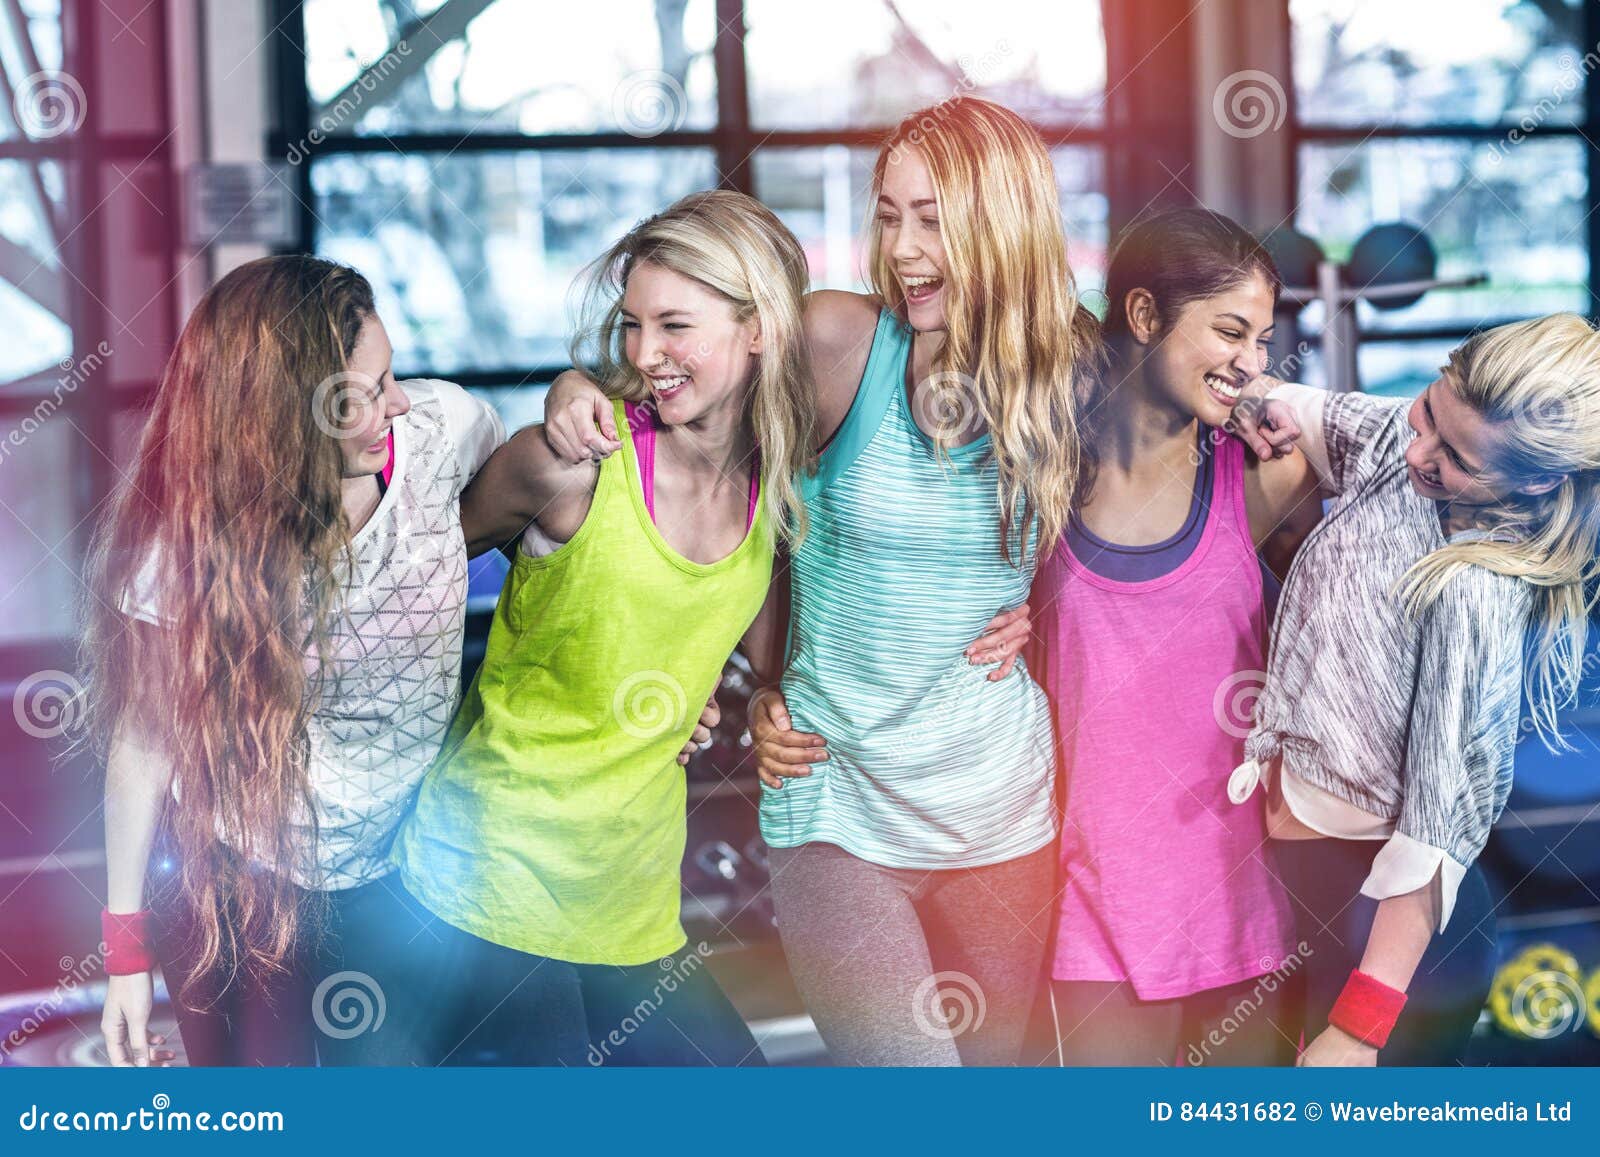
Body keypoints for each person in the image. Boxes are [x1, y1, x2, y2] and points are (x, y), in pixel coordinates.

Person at [86, 256, 504, 1066]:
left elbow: (554, 507)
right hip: (238, 884)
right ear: (281, 418)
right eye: (369, 391)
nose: (402, 401)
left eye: (392, 375)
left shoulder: (443, 431)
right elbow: (144, 744)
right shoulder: (185, 549)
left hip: (395, 871)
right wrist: (124, 954)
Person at [1229, 314, 1600, 1065]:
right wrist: (1248, 399)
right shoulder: (1407, 447)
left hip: (1389, 945)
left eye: (1455, 457)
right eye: (1428, 410)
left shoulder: (1476, 586)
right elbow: (1300, 407)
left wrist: (1361, 1028)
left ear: (1535, 480)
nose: (1415, 451)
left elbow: (1440, 825)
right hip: (1299, 898)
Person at [1032, 208, 1319, 1066]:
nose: (1252, 361)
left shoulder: (1267, 476)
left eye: (1264, 340)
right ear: (1146, 317)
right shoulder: (1041, 485)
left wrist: (1271, 402)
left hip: (1250, 918)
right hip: (1089, 915)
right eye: (1230, 331)